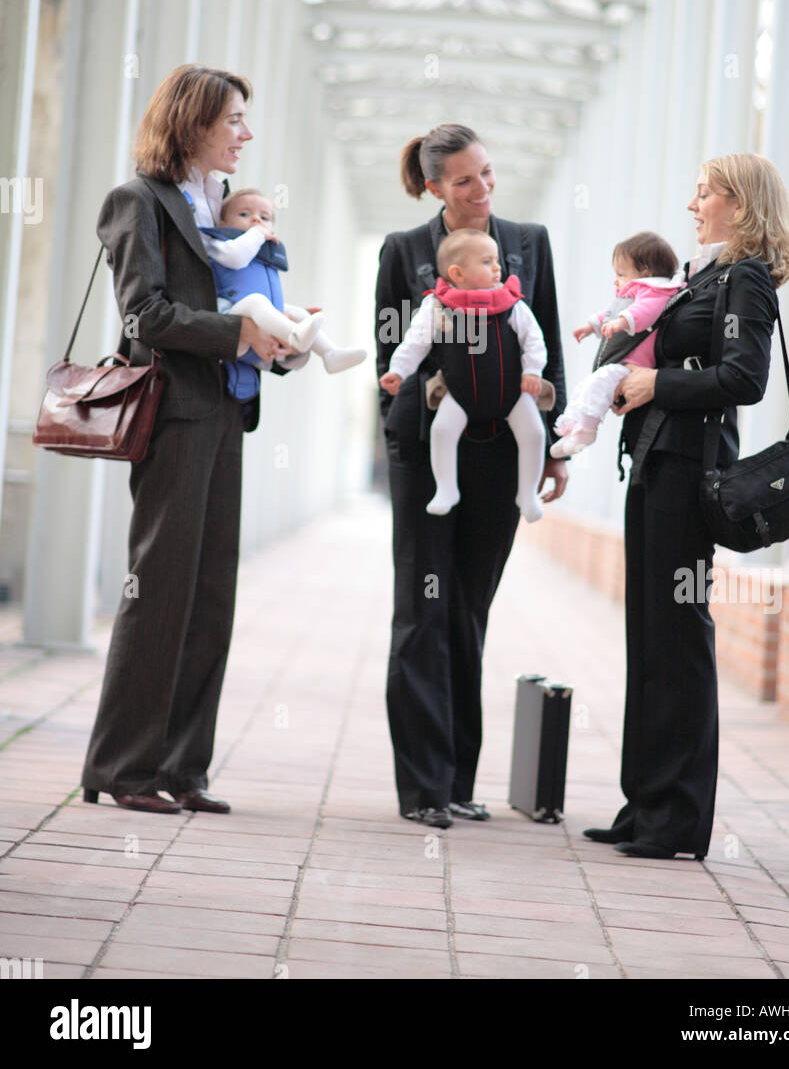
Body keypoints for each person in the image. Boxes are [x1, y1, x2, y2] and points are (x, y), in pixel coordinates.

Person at [81, 65, 296, 815]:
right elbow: (146, 317)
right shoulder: (137, 201)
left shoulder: (226, 209)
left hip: (227, 416)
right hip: (173, 416)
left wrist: (283, 336)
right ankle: (123, 767)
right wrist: (236, 332)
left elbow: (241, 303)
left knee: (209, 596)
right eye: (233, 118)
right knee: (159, 591)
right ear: (193, 121)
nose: (245, 133)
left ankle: (179, 765)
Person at [584, 154, 789, 860]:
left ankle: (676, 819)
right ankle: (643, 805)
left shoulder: (747, 279)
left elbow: (744, 378)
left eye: (703, 193)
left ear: (739, 203)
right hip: (653, 465)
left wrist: (658, 385)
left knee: (677, 638)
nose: (691, 205)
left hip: (689, 474)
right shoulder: (703, 276)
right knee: (647, 635)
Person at [375, 123, 569, 829]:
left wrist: (555, 449)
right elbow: (391, 353)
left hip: (501, 455)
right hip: (428, 456)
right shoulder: (404, 253)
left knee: (468, 611)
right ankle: (423, 787)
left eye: (487, 173)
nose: (483, 189)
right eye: (464, 181)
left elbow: (545, 343)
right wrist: (428, 390)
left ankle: (457, 779)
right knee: (421, 610)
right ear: (434, 187)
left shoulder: (530, 243)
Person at [380, 228, 548, 521]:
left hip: (511, 393)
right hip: (459, 394)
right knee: (442, 431)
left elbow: (534, 340)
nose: (497, 267)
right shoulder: (437, 306)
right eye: (486, 262)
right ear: (456, 273)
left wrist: (533, 370)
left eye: (496, 260)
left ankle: (528, 495)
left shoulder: (512, 305)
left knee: (534, 433)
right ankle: (446, 489)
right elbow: (414, 342)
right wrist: (398, 371)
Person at [193, 186, 366, 391]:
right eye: (244, 214)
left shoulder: (262, 253)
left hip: (262, 333)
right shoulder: (219, 245)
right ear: (223, 223)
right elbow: (236, 258)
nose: (256, 220)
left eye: (264, 218)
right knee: (257, 301)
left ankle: (330, 354)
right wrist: (257, 234)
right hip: (229, 321)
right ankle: (294, 333)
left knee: (298, 312)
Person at [551, 231, 682, 458]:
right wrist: (591, 326)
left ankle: (587, 430)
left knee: (599, 383)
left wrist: (622, 322)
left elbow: (646, 311)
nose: (616, 280)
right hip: (622, 361)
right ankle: (571, 426)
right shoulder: (631, 294)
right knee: (586, 385)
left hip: (634, 364)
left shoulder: (655, 291)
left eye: (621, 274)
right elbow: (609, 313)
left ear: (645, 272)